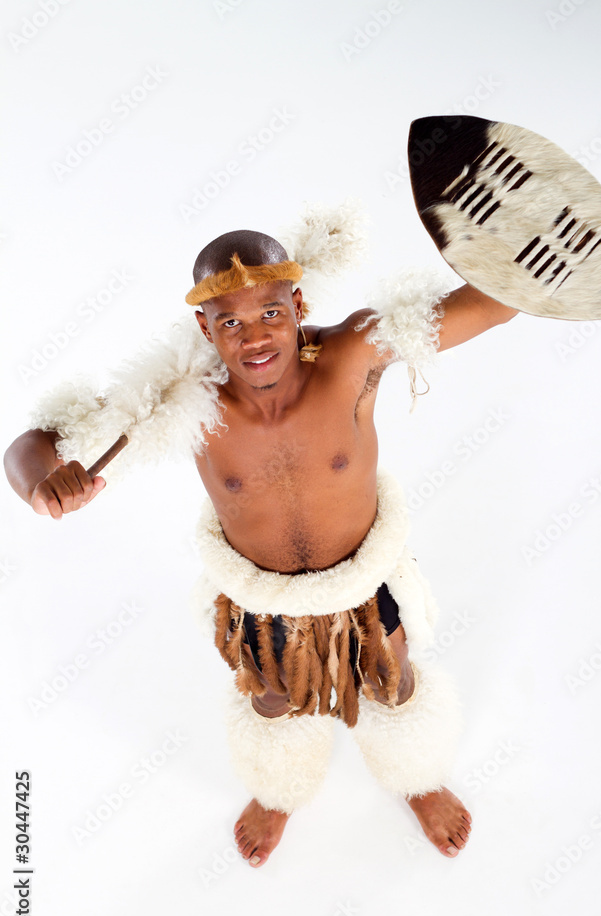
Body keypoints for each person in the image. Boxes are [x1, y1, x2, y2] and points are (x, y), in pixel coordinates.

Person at [4, 223, 517, 868]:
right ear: (205, 329)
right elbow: (30, 446)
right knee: (272, 696)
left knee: (392, 679)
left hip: (364, 582)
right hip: (261, 597)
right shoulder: (180, 400)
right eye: (231, 322)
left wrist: (521, 242)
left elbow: (491, 305)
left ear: (298, 305)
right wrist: (41, 485)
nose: (253, 338)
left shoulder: (356, 352)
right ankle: (279, 790)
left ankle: (417, 778)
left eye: (271, 313)